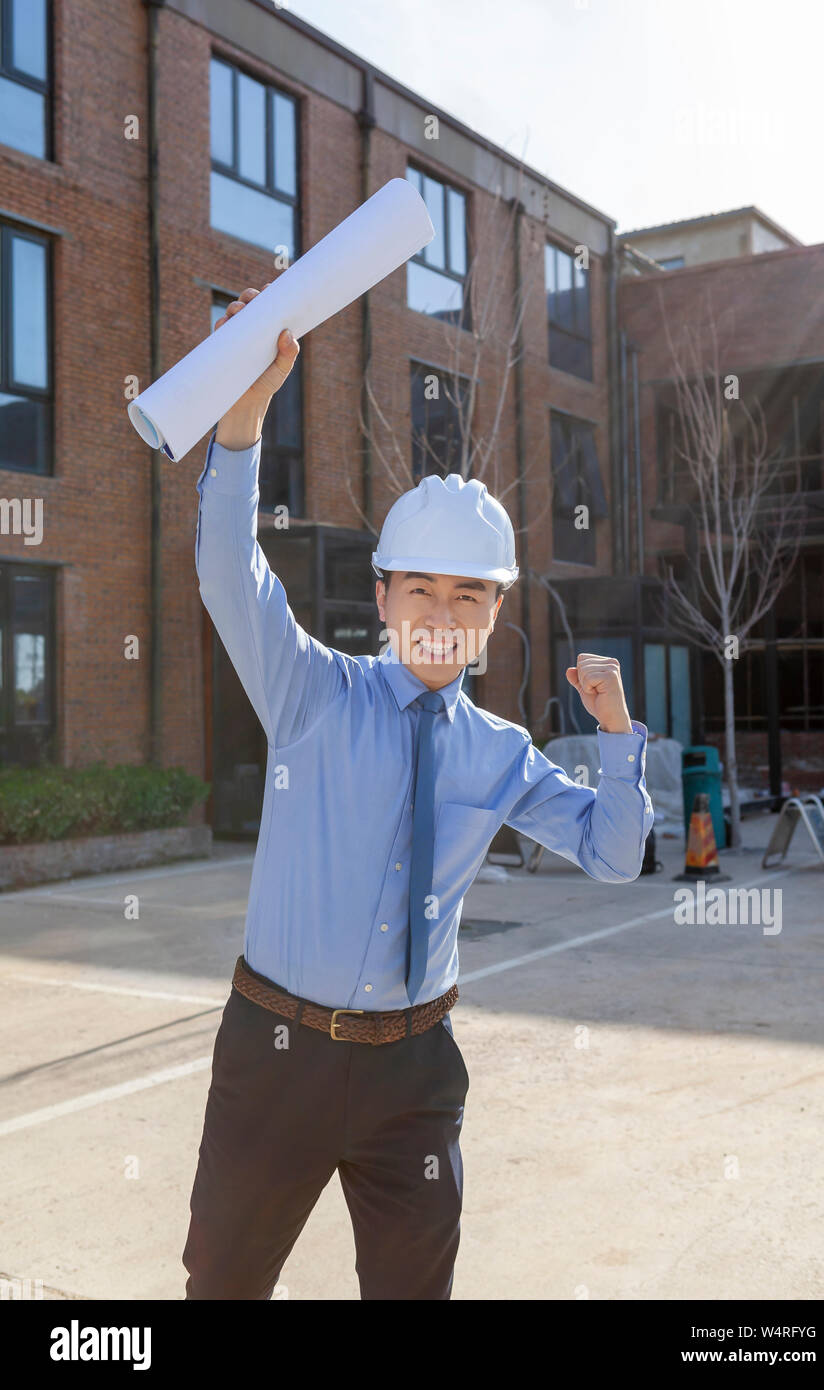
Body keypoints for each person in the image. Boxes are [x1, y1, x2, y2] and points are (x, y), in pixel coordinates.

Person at [182, 286, 654, 1300]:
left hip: (414, 1076)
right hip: (278, 1055)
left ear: (492, 613)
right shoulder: (310, 692)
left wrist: (616, 738)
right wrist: (242, 421)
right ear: (385, 594)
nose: (444, 615)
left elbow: (614, 853)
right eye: (423, 591)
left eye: (469, 595)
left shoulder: (498, 751)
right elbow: (229, 569)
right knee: (221, 1283)